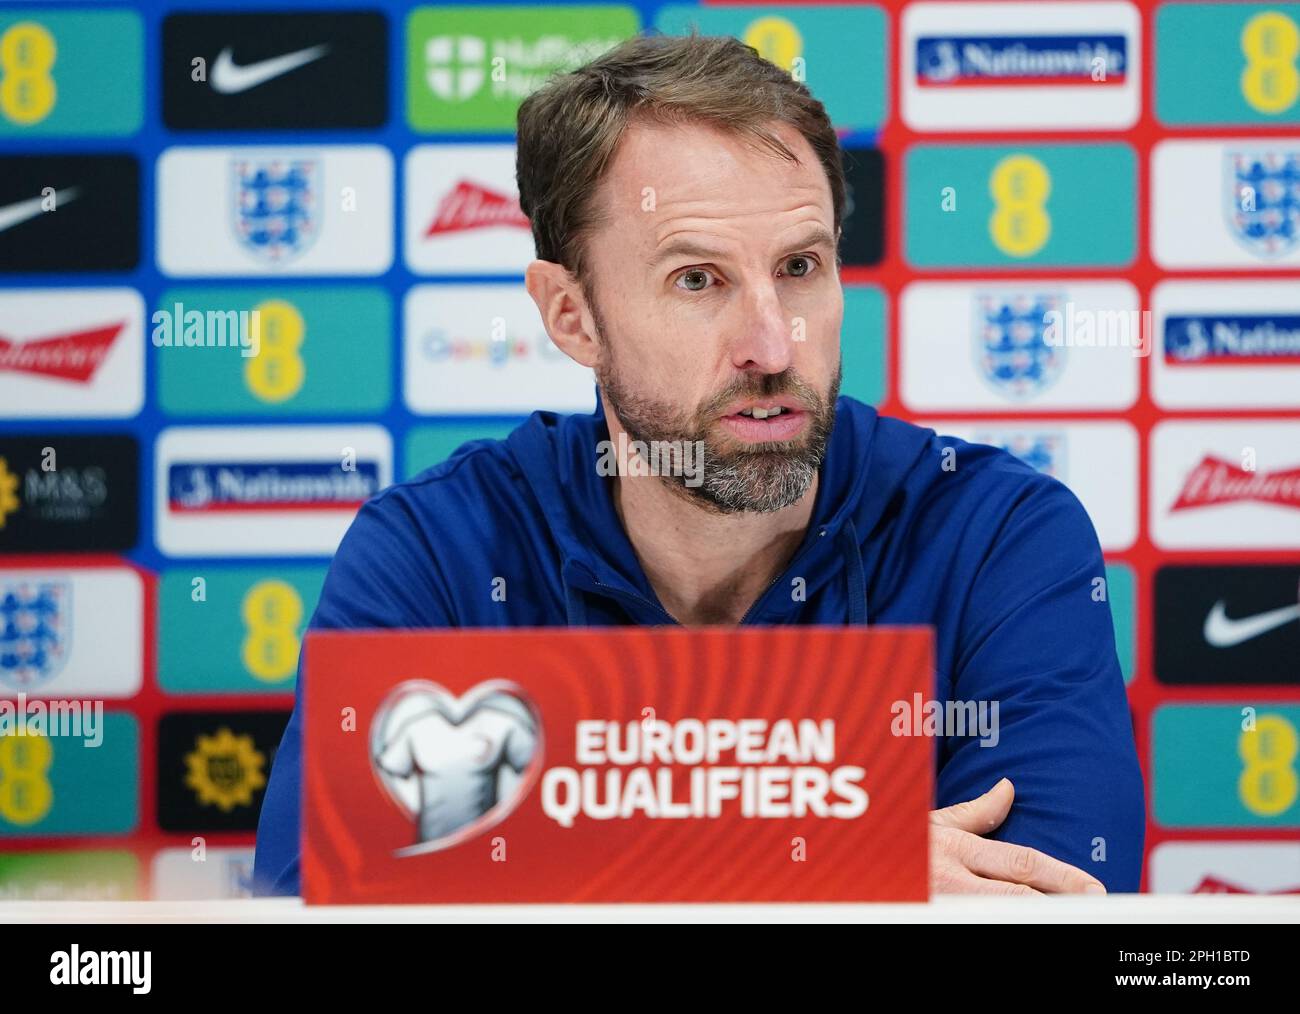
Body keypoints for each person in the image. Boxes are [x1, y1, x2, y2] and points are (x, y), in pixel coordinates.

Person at [254, 33, 1144, 897]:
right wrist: (832, 859)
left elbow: (1059, 894)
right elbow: (320, 893)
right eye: (698, 280)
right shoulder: (438, 554)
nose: (770, 344)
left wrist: (543, 857)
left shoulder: (994, 538)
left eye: (800, 267)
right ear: (572, 316)